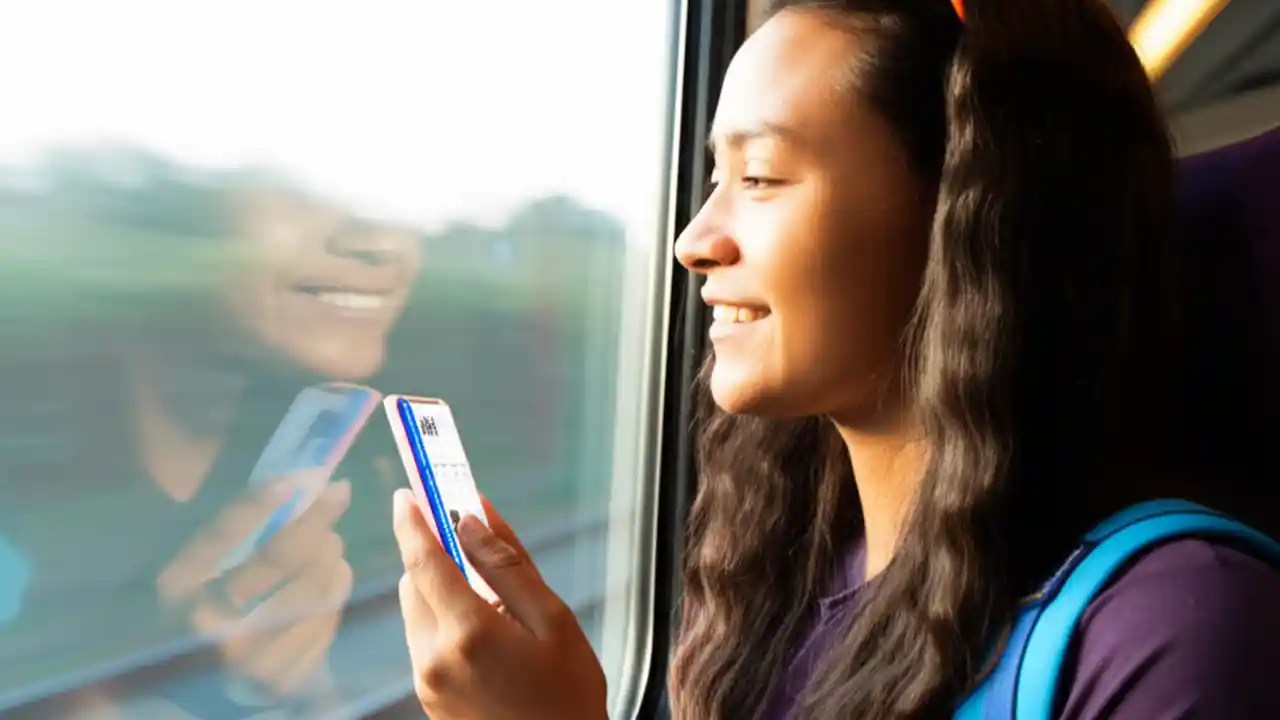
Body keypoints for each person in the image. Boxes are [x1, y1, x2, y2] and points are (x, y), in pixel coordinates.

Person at [389, 0, 1280, 718]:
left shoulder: (1177, 630)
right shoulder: (761, 601)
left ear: (964, 217)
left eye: (763, 177)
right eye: (713, 178)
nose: (695, 240)